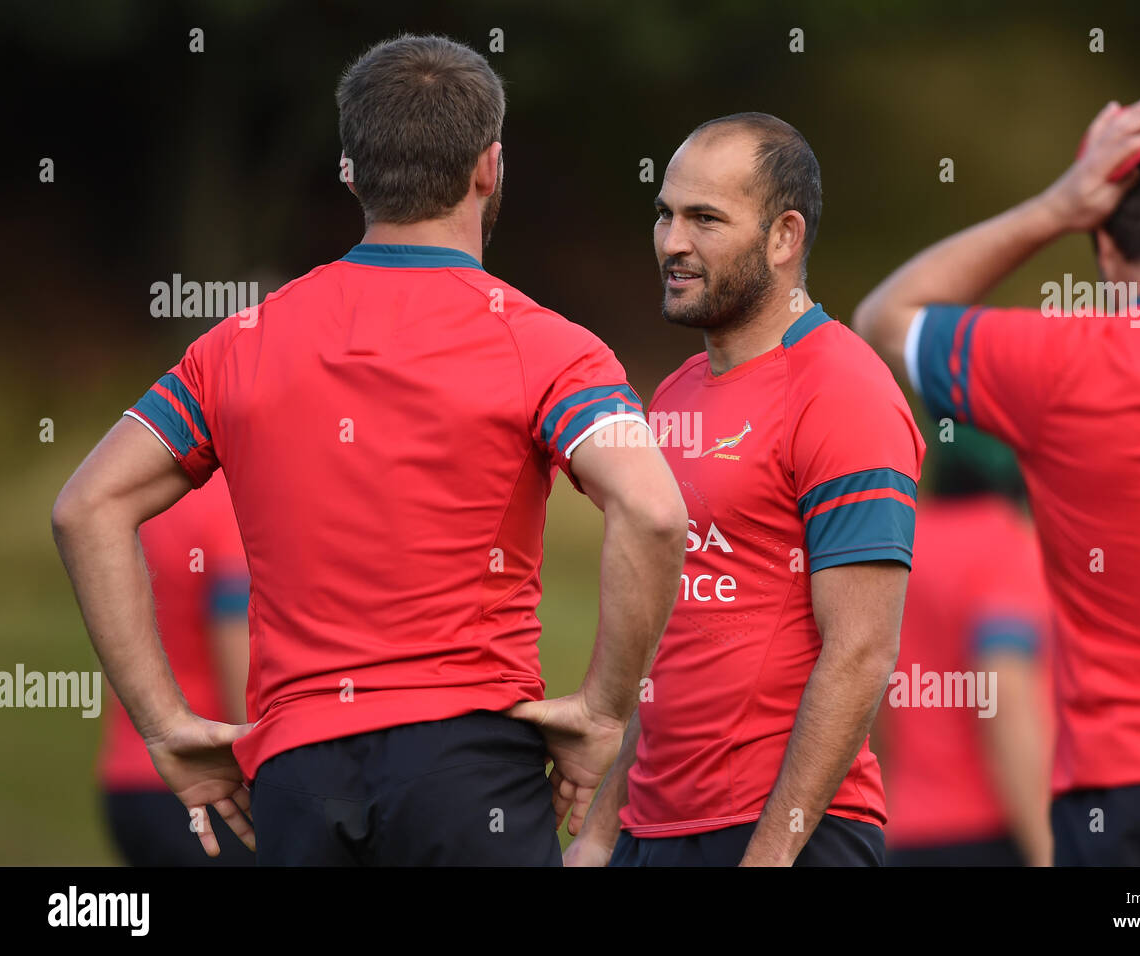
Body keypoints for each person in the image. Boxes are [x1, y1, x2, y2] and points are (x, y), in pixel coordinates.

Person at [52, 33, 687, 866]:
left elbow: (84, 506)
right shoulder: (549, 348)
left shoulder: (241, 341)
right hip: (471, 771)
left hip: (298, 774)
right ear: (490, 167)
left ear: (350, 170)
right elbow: (650, 507)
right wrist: (603, 712)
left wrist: (166, 725)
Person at [853, 99, 1140, 865]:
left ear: (1105, 245)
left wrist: (1055, 206)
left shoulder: (1055, 363)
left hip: (1129, 797)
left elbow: (888, 315)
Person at [566, 113, 925, 867]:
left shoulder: (844, 390)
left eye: (704, 219)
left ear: (784, 237)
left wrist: (769, 856)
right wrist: (601, 832)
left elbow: (861, 651)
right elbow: (663, 648)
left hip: (787, 836)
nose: (671, 243)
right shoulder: (670, 396)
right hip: (652, 834)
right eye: (664, 214)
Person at [876, 427, 1052, 867]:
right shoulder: (1004, 543)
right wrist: (1046, 849)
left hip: (902, 833)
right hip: (989, 831)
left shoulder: (902, 544)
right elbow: (1003, 700)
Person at [98, 470, 254, 866]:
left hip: (131, 781)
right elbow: (242, 683)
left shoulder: (144, 491)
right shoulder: (235, 501)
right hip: (214, 790)